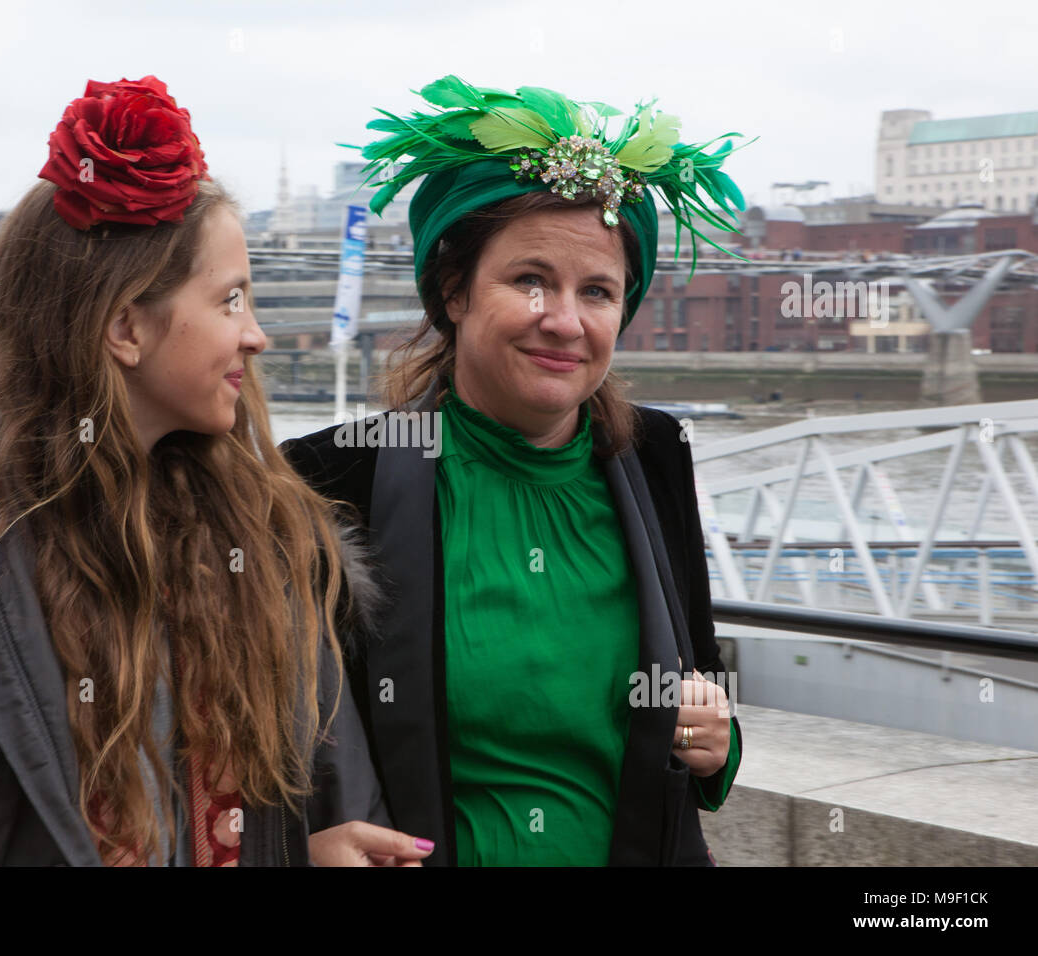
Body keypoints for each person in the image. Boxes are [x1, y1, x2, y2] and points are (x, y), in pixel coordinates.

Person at [0, 76, 430, 866]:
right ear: (124, 326)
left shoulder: (274, 544)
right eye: (230, 300)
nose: (255, 336)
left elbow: (309, 808)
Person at [283, 76, 749, 865]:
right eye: (530, 280)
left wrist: (717, 741)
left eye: (597, 291)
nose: (564, 321)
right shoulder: (332, 477)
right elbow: (261, 749)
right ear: (454, 291)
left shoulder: (655, 456)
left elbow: (695, 689)